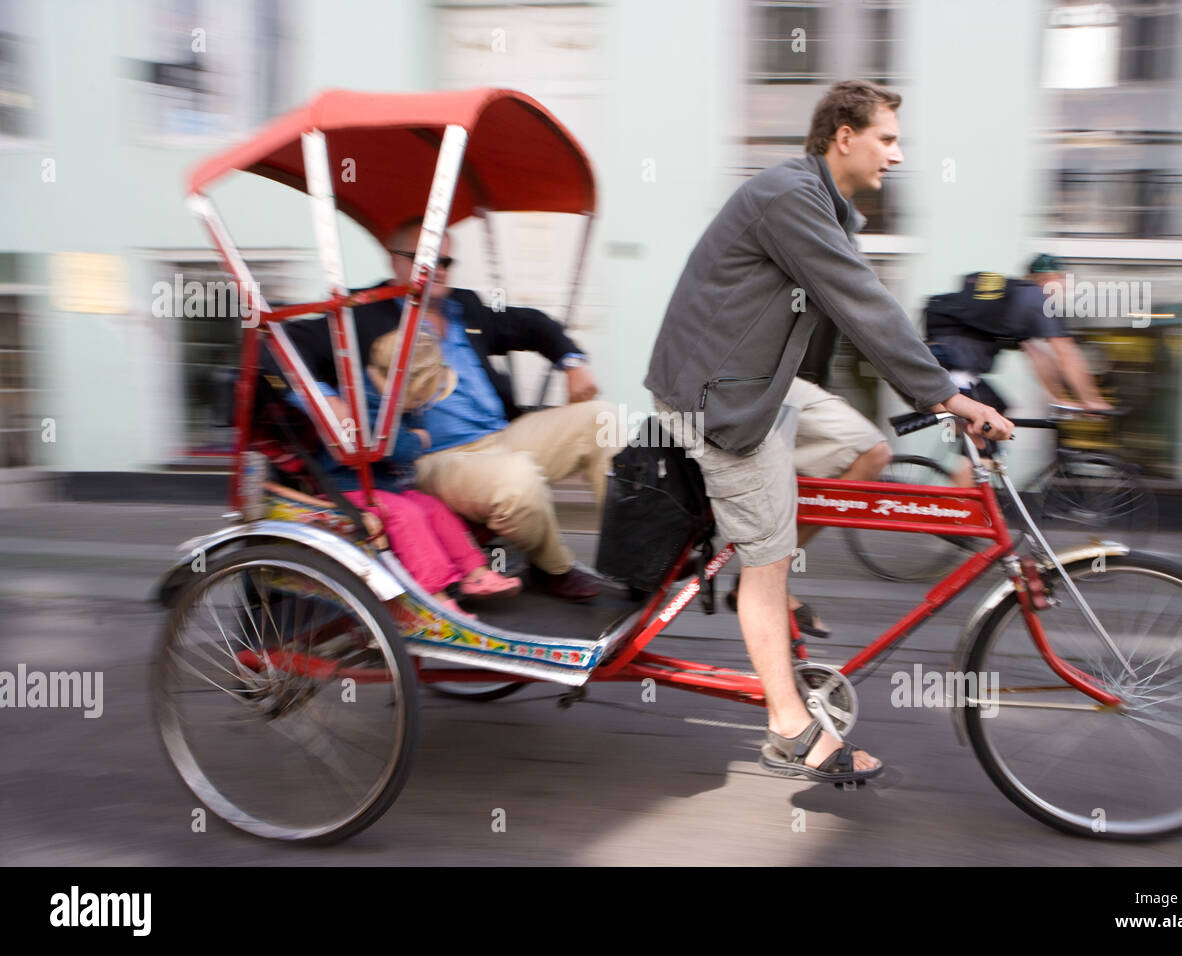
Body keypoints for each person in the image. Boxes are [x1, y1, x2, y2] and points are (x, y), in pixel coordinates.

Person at [644, 79, 1014, 785]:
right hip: (716, 393)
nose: (898, 156)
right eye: (888, 139)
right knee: (768, 551)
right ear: (844, 135)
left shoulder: (824, 205)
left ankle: (768, 576)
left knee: (863, 448)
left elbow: (836, 321)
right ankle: (788, 726)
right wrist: (945, 396)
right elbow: (862, 301)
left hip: (764, 377)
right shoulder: (791, 196)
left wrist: (929, 396)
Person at [360, 221, 617, 601]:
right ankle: (554, 568)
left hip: (499, 436)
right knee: (517, 482)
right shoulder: (364, 314)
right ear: (394, 262)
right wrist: (322, 393)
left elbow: (533, 323)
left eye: (445, 259)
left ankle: (630, 559)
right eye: (424, 258)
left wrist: (572, 362)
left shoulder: (465, 306)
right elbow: (296, 345)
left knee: (603, 419)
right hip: (435, 458)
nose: (439, 267)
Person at [312, 329, 523, 617]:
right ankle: (434, 594)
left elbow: (411, 427)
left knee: (434, 508)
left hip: (385, 484)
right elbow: (397, 447)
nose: (417, 408)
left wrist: (412, 433)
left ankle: (475, 573)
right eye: (416, 401)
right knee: (406, 516)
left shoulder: (393, 393)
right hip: (349, 487)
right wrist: (418, 439)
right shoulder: (363, 399)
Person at [926, 254, 1113, 486]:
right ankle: (956, 513)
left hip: (949, 367)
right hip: (954, 372)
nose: (1063, 287)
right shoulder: (1037, 297)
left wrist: (1060, 398)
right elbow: (1066, 352)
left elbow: (1038, 356)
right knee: (984, 439)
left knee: (992, 420)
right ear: (1049, 279)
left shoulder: (1017, 297)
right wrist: (1092, 400)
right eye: (1061, 280)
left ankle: (968, 501)